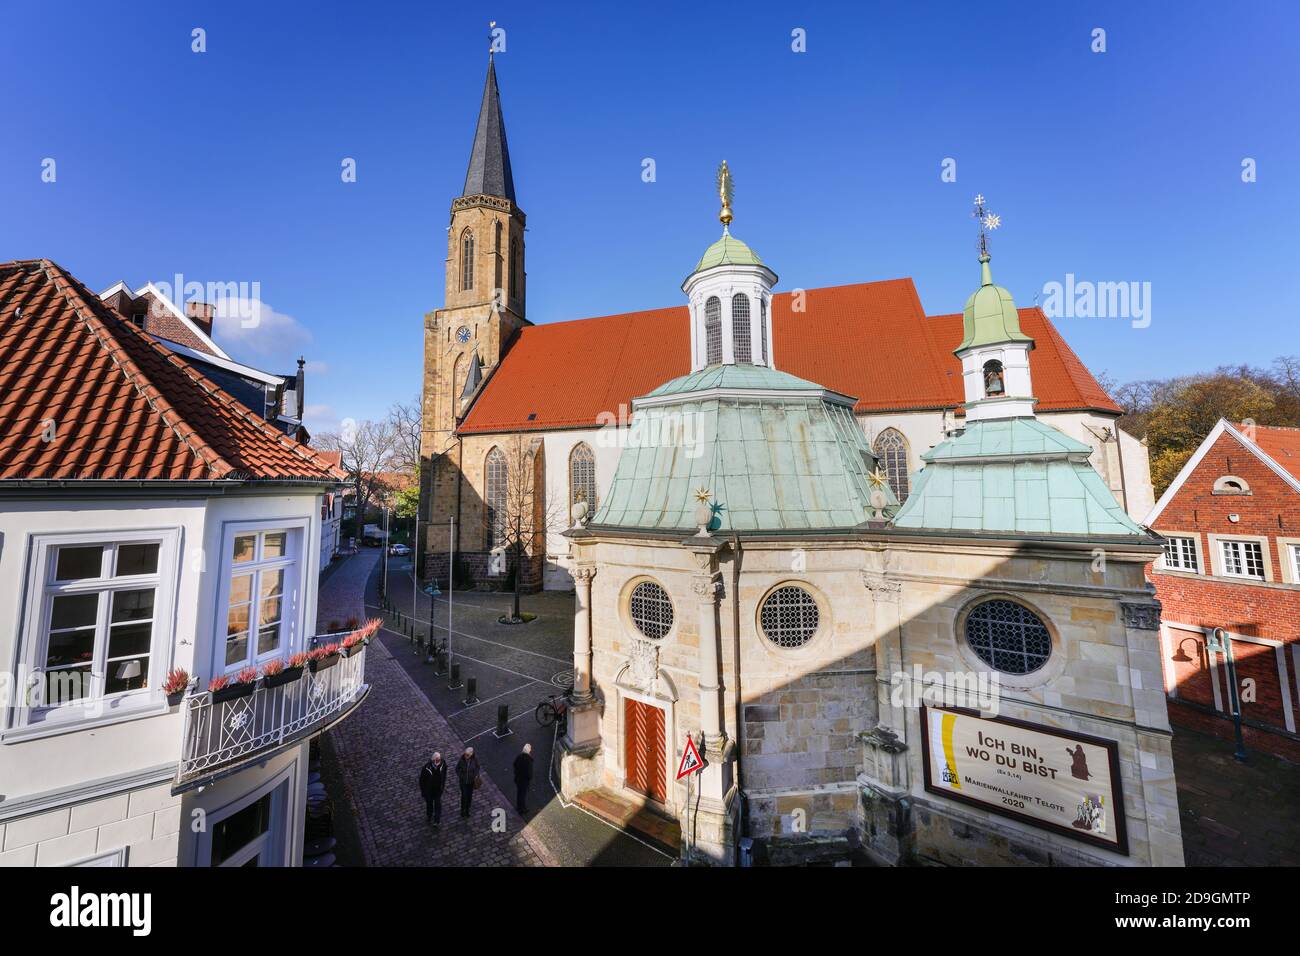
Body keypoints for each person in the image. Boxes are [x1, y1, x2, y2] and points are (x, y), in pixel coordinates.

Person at [419, 751, 448, 826]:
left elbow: (444, 775)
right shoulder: (426, 768)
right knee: (429, 804)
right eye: (437, 760)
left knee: (438, 805)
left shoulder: (443, 764)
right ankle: (429, 815)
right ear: (433, 760)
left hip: (438, 790)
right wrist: (423, 791)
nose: (438, 761)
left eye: (439, 760)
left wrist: (442, 786)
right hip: (429, 791)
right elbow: (422, 781)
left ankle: (437, 820)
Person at [455, 747, 481, 818]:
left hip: (471, 782)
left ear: (471, 754)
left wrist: (475, 774)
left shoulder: (475, 760)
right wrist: (461, 776)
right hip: (463, 782)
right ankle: (463, 810)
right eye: (465, 754)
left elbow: (478, 767)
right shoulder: (461, 760)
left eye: (468, 755)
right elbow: (457, 769)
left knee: (469, 796)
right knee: (464, 796)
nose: (466, 756)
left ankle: (467, 809)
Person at [513, 743, 534, 814]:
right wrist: (529, 778)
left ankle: (519, 807)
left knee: (519, 793)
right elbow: (529, 773)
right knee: (522, 795)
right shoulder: (528, 760)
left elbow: (514, 764)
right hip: (524, 781)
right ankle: (522, 809)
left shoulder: (519, 757)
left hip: (518, 779)